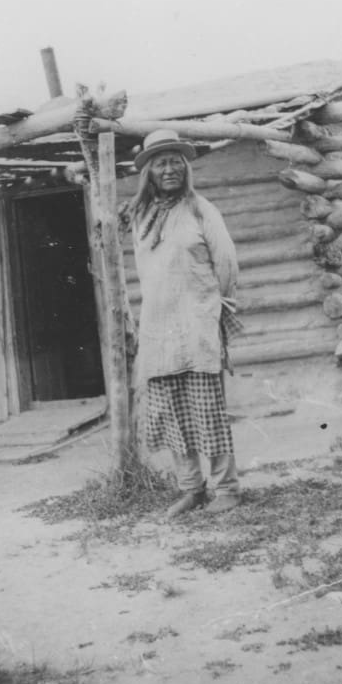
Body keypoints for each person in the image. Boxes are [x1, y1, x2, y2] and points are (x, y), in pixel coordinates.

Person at [130, 128, 242, 518]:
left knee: (207, 410)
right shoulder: (141, 217)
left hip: (197, 325)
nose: (169, 168)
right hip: (158, 330)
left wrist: (212, 308)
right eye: (161, 162)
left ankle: (226, 488)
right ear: (149, 172)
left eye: (175, 160)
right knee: (173, 414)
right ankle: (191, 490)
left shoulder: (201, 210)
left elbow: (226, 263)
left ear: (185, 166)